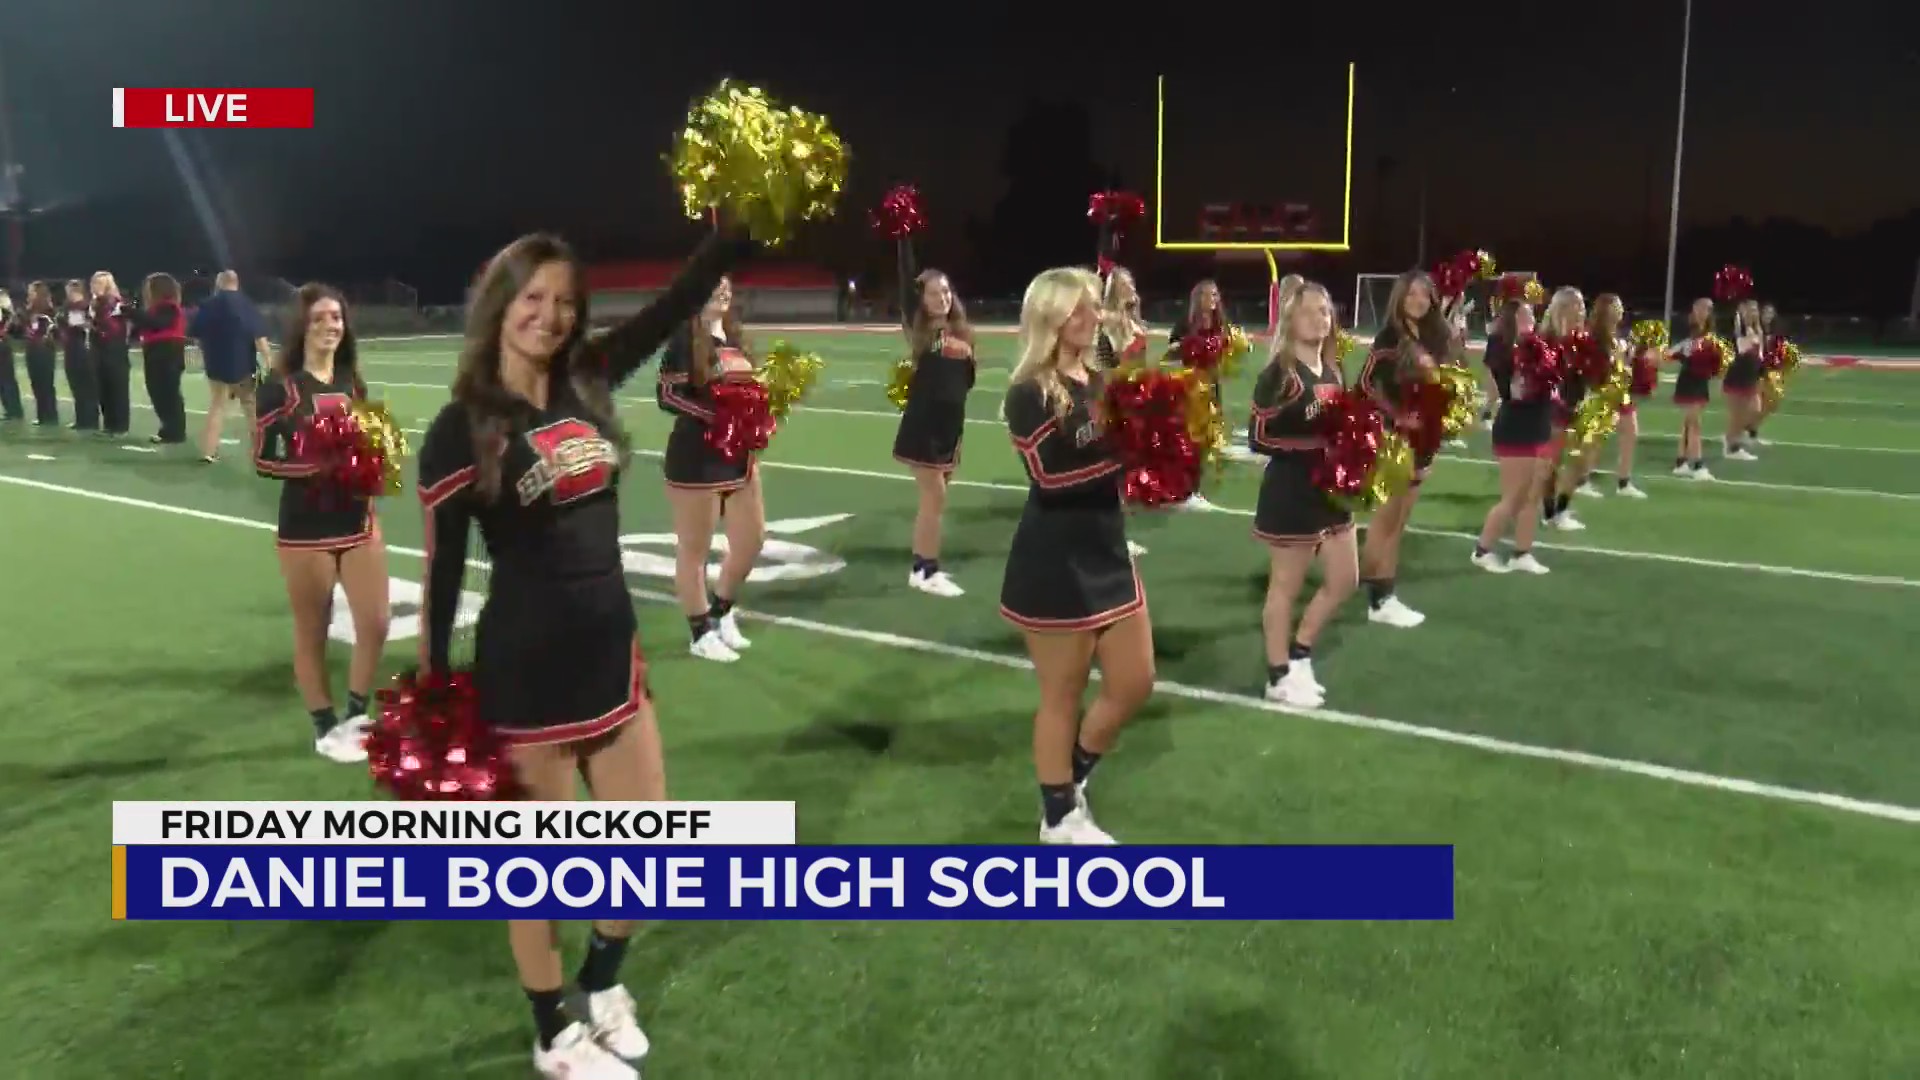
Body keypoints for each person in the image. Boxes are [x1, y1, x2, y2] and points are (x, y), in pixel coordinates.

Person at [416, 224, 750, 1080]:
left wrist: (731, 234)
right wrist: (436, 694)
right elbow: (444, 571)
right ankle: (553, 1031)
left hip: (611, 650)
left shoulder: (590, 379)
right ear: (501, 304)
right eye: (534, 299)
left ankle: (602, 984)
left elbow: (677, 303)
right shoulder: (462, 427)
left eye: (565, 303)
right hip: (525, 669)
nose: (551, 317)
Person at [1000, 266, 1155, 845]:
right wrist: (1126, 462)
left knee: (1135, 681)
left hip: (1107, 549)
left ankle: (1073, 774)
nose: (1094, 318)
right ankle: (1058, 816)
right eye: (1081, 309)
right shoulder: (1028, 391)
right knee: (1061, 695)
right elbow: (1050, 476)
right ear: (1052, 317)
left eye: (1094, 307)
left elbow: (1123, 450)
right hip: (1055, 559)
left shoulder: (1099, 379)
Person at [252, 284, 391, 763]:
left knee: (375, 623)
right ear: (302, 327)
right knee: (313, 629)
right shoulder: (281, 386)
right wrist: (319, 466)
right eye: (320, 319)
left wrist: (373, 458)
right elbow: (263, 459)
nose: (331, 326)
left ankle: (356, 713)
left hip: (358, 519)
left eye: (337, 318)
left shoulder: (353, 381)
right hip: (306, 528)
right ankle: (324, 725)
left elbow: (366, 439)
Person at [1249, 281, 1359, 706]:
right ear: (1291, 318)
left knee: (1344, 579)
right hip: (1291, 492)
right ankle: (1278, 676)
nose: (1321, 317)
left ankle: (1300, 652)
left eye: (1326, 311)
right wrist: (1318, 447)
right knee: (1284, 588)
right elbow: (1258, 436)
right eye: (1311, 310)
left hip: (1331, 492)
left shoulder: (1331, 369)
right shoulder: (1280, 372)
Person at [655, 274, 768, 662]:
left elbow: (747, 391)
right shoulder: (685, 339)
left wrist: (762, 407)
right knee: (695, 550)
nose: (722, 291)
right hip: (696, 459)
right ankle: (700, 631)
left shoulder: (734, 338)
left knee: (752, 539)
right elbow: (667, 394)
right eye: (712, 285)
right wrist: (715, 417)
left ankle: (720, 611)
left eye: (726, 286)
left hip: (738, 456)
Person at [1354, 270, 1454, 629]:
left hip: (1419, 442)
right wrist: (1397, 417)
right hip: (1391, 439)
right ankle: (1379, 599)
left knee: (1399, 521)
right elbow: (1365, 385)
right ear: (1400, 296)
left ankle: (1378, 588)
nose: (1418, 300)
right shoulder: (1390, 336)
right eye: (1411, 293)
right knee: (1386, 521)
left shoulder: (1428, 336)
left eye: (1425, 295)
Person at [891, 267, 975, 597]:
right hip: (923, 428)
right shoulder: (920, 334)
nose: (942, 298)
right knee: (934, 497)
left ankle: (921, 566)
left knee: (934, 503)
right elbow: (905, 287)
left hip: (949, 428)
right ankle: (927, 571)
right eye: (933, 294)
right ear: (921, 301)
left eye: (945, 292)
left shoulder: (962, 334)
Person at [1471, 296, 1554, 574]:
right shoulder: (1505, 350)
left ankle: (1522, 553)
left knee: (1533, 496)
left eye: (1532, 314)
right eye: (1524, 315)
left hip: (1540, 425)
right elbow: (1513, 390)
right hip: (1516, 427)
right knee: (1514, 498)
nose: (1531, 319)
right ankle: (1482, 551)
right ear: (1511, 320)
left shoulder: (1539, 346)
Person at [189, 270, 272, 460]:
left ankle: (208, 452)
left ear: (219, 283)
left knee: (217, 405)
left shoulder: (208, 304)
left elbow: (196, 336)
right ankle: (260, 451)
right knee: (251, 409)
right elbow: (259, 337)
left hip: (215, 365)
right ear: (236, 282)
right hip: (243, 365)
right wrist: (268, 361)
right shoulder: (247, 304)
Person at [125, 273, 191, 445]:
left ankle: (176, 432)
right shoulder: (155, 309)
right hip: (156, 353)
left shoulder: (169, 307)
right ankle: (168, 429)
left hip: (168, 353)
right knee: (157, 392)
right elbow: (144, 325)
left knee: (168, 393)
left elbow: (158, 323)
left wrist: (130, 312)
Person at [1670, 298, 1715, 480]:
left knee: (1690, 423)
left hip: (1700, 380)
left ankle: (1681, 462)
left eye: (1709, 309)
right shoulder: (1689, 328)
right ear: (1695, 309)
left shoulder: (1708, 331)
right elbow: (1677, 350)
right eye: (1703, 308)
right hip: (1689, 380)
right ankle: (1697, 465)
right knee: (1694, 423)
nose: (1706, 311)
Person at [89, 272, 134, 436]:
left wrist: (97, 320)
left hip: (115, 348)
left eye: (100, 284)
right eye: (94, 283)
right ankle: (109, 424)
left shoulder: (116, 303)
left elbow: (115, 328)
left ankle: (120, 425)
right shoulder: (94, 303)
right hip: (99, 348)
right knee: (103, 386)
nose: (96, 287)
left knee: (118, 387)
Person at [1720, 298, 1764, 461]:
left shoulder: (1756, 329)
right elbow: (1740, 347)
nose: (1753, 312)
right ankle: (1732, 447)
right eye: (1749, 309)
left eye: (1755, 309)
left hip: (1750, 375)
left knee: (1754, 410)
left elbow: (1759, 353)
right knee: (1738, 415)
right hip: (1737, 375)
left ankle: (1732, 438)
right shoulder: (1739, 328)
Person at [15, 282, 60, 425]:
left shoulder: (48, 311)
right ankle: (42, 415)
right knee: (36, 383)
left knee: (46, 382)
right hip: (31, 349)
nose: (29, 294)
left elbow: (52, 330)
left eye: (32, 292)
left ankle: (50, 415)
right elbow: (20, 330)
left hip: (44, 349)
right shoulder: (28, 311)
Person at [59, 280, 99, 432]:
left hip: (84, 347)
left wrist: (84, 323)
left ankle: (91, 420)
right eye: (68, 291)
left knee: (87, 385)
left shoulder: (87, 306)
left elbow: (90, 325)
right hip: (70, 347)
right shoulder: (67, 307)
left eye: (72, 291)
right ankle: (81, 419)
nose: (70, 294)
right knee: (75, 385)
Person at [0, 289, 21, 421]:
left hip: (2, 346)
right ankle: (10, 409)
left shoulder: (6, 313)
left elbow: (11, 329)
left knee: (7, 379)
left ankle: (14, 410)